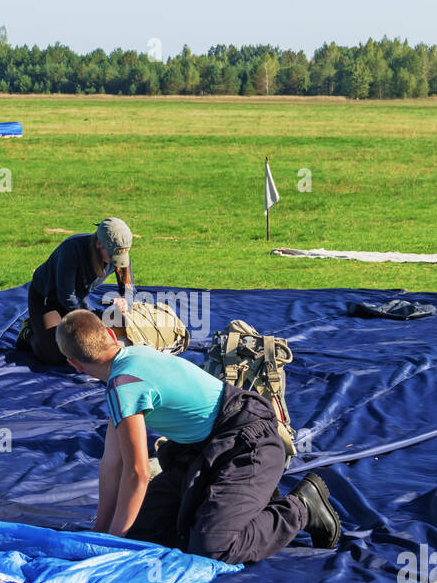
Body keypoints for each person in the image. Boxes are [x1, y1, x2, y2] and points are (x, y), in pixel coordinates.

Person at [54, 309, 341, 564]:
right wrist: (101, 534)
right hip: (203, 450)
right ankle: (243, 501)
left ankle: (301, 507)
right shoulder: (132, 357)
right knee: (145, 533)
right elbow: (112, 463)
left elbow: (138, 473)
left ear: (74, 364)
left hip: (249, 443)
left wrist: (114, 542)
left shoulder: (122, 385)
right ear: (109, 335)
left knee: (211, 548)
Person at [19, 218, 136, 365]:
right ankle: (29, 332)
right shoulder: (72, 250)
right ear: (99, 244)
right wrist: (93, 319)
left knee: (86, 349)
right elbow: (66, 296)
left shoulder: (119, 253)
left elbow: (129, 288)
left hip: (76, 297)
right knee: (55, 355)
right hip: (47, 299)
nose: (117, 261)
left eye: (122, 256)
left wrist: (126, 300)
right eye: (114, 256)